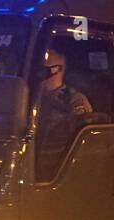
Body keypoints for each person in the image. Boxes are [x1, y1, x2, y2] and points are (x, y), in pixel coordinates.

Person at [34, 46, 92, 179]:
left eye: (43, 70)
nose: (37, 75)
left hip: (55, 168)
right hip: (32, 162)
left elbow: (81, 145)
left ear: (57, 70)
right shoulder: (30, 97)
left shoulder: (74, 100)